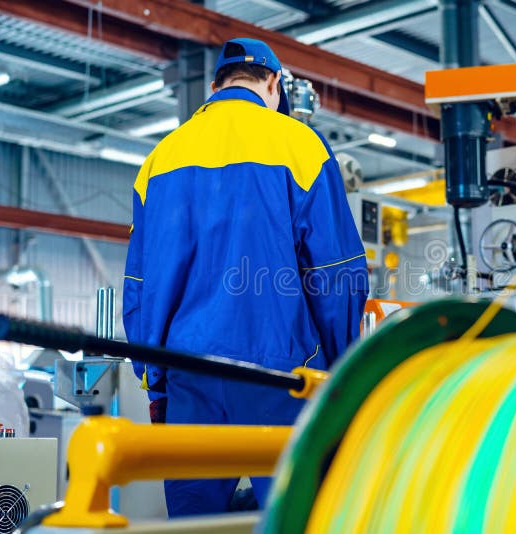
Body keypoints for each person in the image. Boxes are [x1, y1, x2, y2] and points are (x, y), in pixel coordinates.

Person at [122, 37, 369, 517]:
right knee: (296, 518)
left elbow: (140, 288)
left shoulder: (161, 158)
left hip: (189, 377)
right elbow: (335, 274)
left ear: (215, 87)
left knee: (194, 527)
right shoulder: (299, 144)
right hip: (284, 377)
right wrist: (341, 372)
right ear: (273, 83)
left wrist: (155, 380)